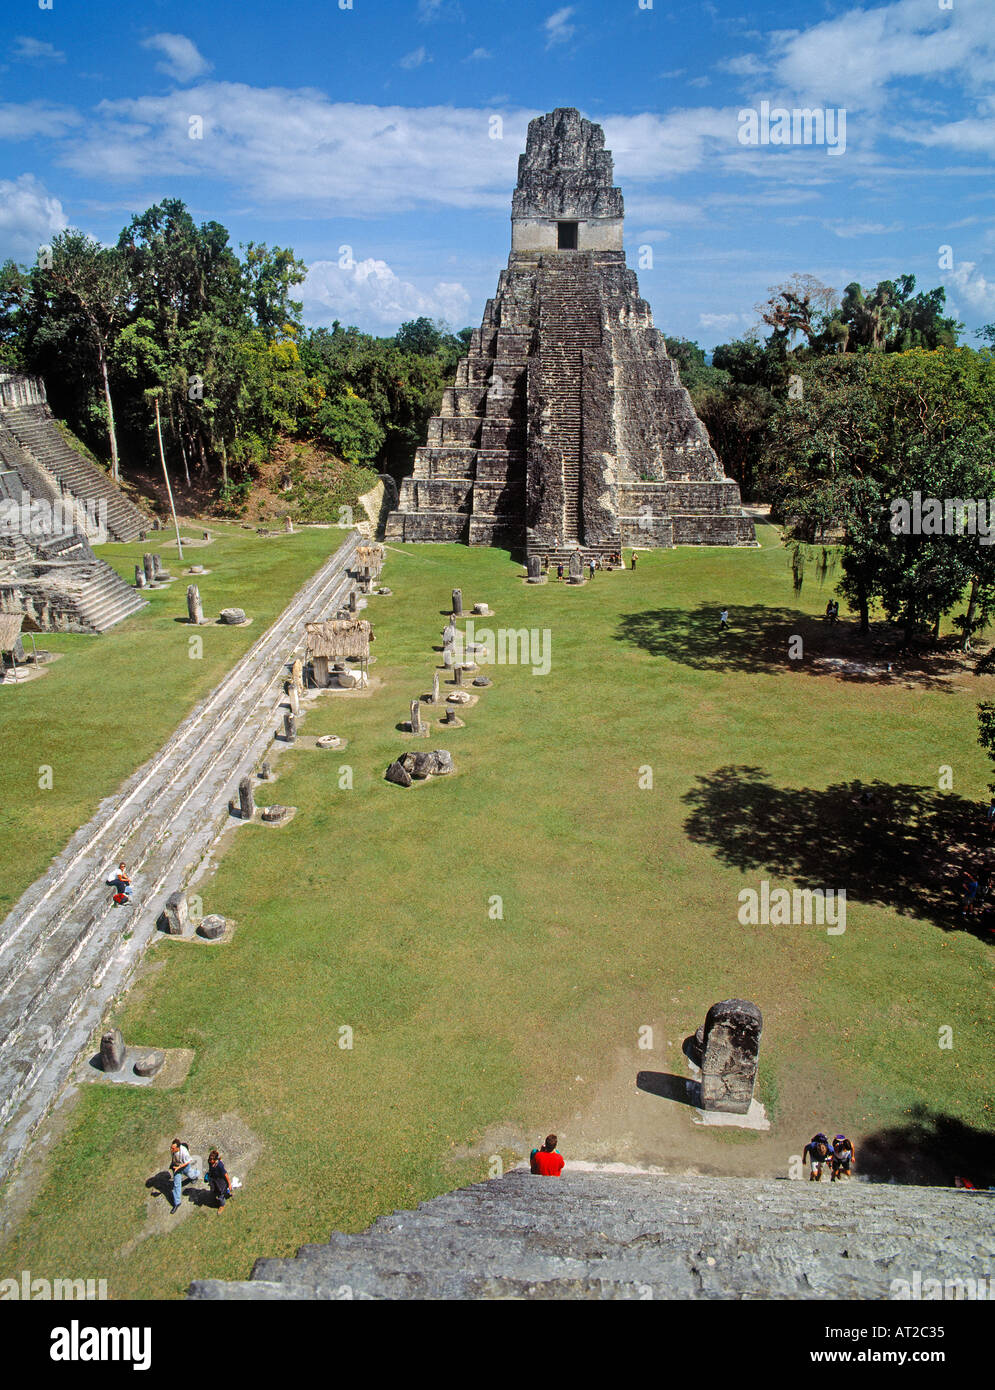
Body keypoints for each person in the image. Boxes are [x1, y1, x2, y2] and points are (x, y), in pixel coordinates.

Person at [168, 1139, 200, 1213]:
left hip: (184, 1167)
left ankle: (196, 1175)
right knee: (177, 1184)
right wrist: (175, 1166)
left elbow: (188, 1161)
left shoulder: (184, 1152)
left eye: (173, 1148)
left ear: (178, 1147)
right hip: (176, 1167)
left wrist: (179, 1167)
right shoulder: (173, 1150)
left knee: (191, 1174)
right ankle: (177, 1203)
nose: (171, 1149)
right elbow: (173, 1158)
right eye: (171, 1147)